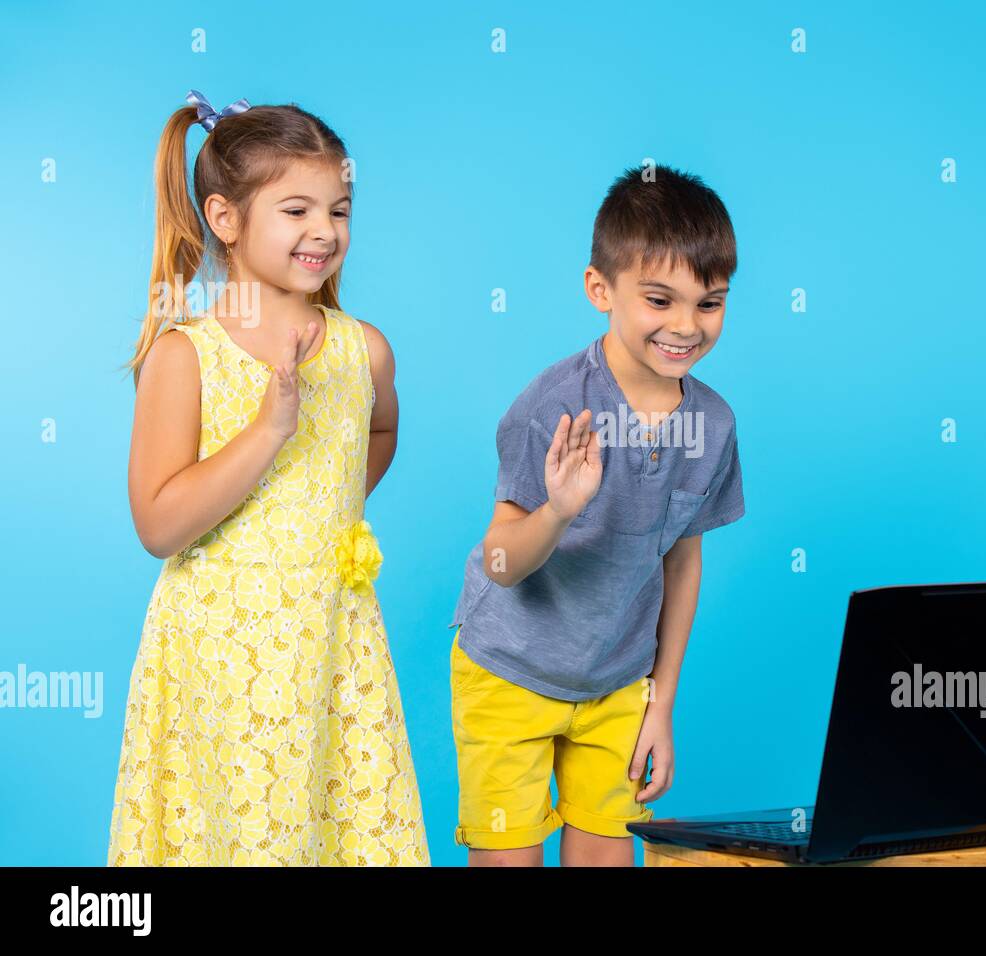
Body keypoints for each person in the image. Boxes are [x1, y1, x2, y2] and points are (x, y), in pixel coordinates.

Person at [107, 90, 428, 865]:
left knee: (348, 834)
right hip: (222, 663)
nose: (325, 231)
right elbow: (158, 525)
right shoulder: (185, 358)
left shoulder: (364, 351)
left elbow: (376, 432)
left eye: (339, 210)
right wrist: (269, 431)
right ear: (225, 218)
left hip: (335, 648)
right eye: (297, 211)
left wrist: (322, 511)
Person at [448, 164, 745, 866]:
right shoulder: (551, 406)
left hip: (617, 685)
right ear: (599, 290)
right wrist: (558, 510)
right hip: (510, 674)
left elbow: (683, 559)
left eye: (710, 303)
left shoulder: (715, 422)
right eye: (659, 299)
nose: (685, 326)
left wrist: (660, 704)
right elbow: (502, 560)